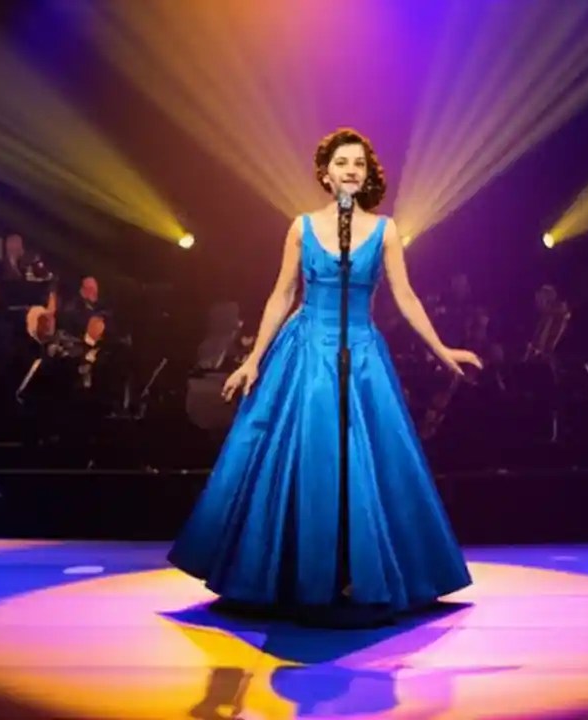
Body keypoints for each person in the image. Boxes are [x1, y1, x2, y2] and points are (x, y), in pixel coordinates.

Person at [167, 128, 482, 624]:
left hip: (360, 353)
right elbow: (281, 293)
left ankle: (368, 573)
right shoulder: (301, 227)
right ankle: (290, 573)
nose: (350, 170)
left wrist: (442, 349)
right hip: (308, 348)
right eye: (342, 163)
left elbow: (405, 296)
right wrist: (253, 360)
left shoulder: (386, 230)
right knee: (303, 458)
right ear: (325, 173)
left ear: (368, 173)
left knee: (370, 462)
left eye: (358, 163)